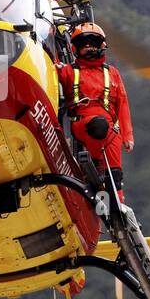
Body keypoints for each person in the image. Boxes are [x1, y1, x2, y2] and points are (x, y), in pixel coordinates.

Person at [56, 22, 134, 200]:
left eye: (92, 44)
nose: (89, 48)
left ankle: (118, 213)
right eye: (84, 45)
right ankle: (96, 165)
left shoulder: (112, 73)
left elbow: (122, 103)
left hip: (110, 130)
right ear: (76, 48)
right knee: (98, 126)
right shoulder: (68, 71)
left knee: (115, 176)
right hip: (83, 123)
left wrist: (127, 136)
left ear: (101, 46)